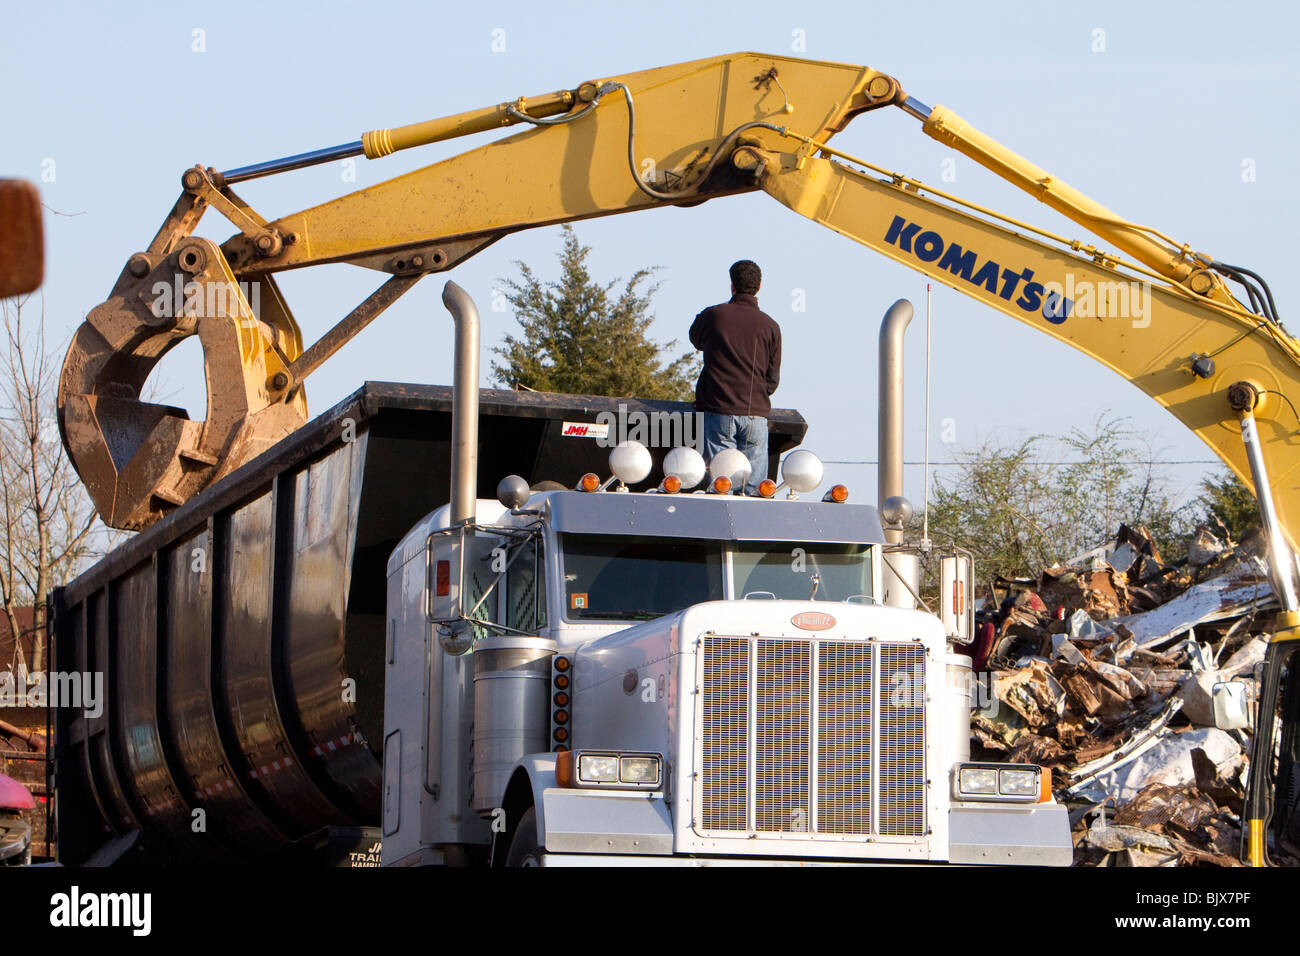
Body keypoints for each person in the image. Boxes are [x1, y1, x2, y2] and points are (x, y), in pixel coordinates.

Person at [689, 260, 782, 495]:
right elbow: (773, 378)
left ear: (732, 285)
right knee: (754, 492)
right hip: (757, 416)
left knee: (722, 486)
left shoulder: (713, 316)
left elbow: (695, 339)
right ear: (759, 287)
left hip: (719, 411)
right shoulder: (771, 326)